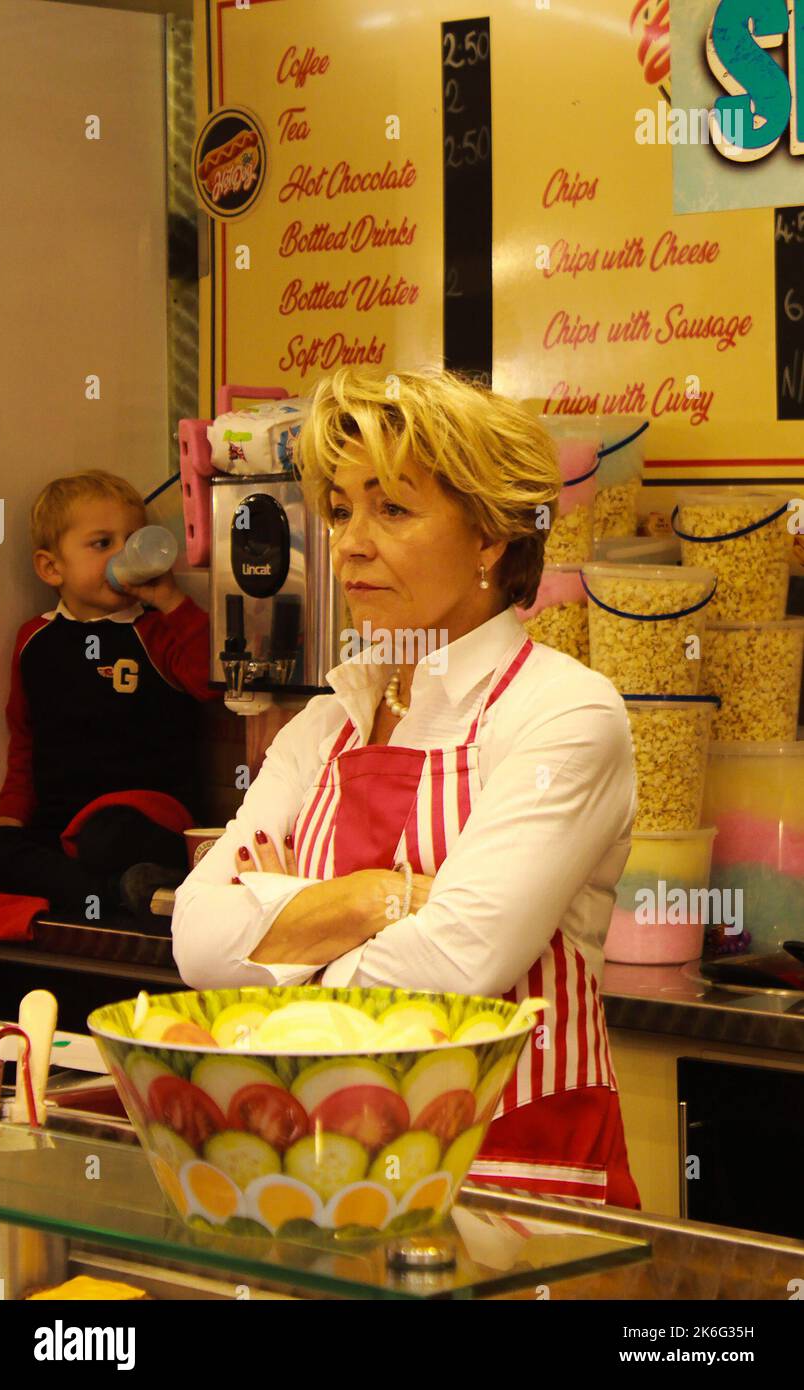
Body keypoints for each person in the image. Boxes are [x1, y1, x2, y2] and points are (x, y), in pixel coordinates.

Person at [172, 368, 641, 1208]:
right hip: (328, 1177)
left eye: (392, 508)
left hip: (512, 1183)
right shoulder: (326, 726)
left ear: (492, 538)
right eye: (343, 508)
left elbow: (460, 961)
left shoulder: (562, 713)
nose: (348, 542)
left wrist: (284, 925)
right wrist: (376, 897)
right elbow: (201, 945)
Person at [0, 469, 217, 925]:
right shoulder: (35, 639)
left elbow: (211, 683)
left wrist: (170, 599)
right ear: (52, 568)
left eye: (132, 540)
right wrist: (11, 816)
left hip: (144, 816)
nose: (124, 555)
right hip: (60, 822)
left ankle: (117, 884)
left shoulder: (154, 629)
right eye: (101, 543)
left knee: (109, 840)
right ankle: (117, 892)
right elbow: (25, 740)